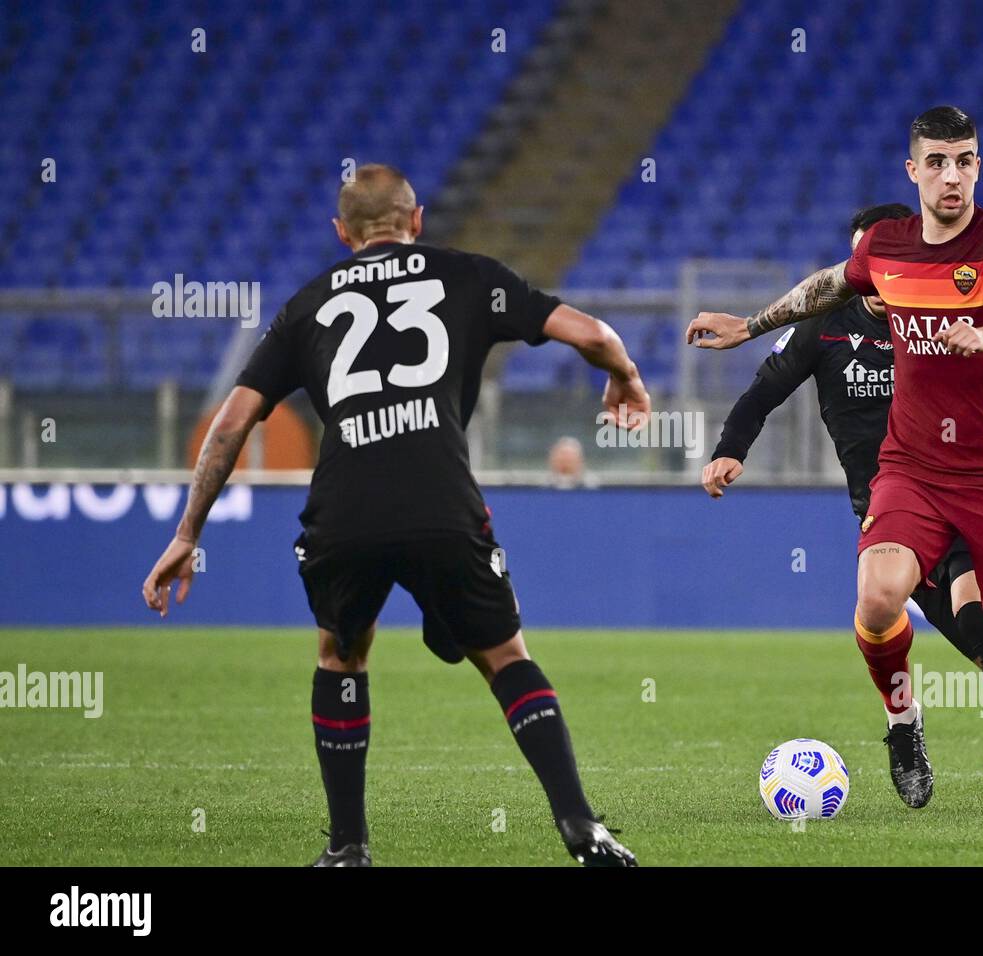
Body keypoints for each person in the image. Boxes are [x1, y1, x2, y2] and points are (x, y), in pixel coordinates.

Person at [143, 164, 648, 864]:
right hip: (440, 501)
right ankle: (580, 827)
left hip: (344, 514)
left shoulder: (308, 304)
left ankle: (348, 849)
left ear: (342, 232)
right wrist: (622, 374)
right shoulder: (467, 274)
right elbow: (589, 333)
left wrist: (186, 532)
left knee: (340, 655)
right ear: (415, 222)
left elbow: (230, 425)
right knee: (504, 658)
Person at [687, 108, 983, 814]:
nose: (952, 175)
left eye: (964, 160)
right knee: (877, 598)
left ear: (977, 167)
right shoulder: (887, 247)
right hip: (913, 469)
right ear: (913, 170)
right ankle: (904, 724)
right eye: (936, 161)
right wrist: (748, 326)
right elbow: (827, 284)